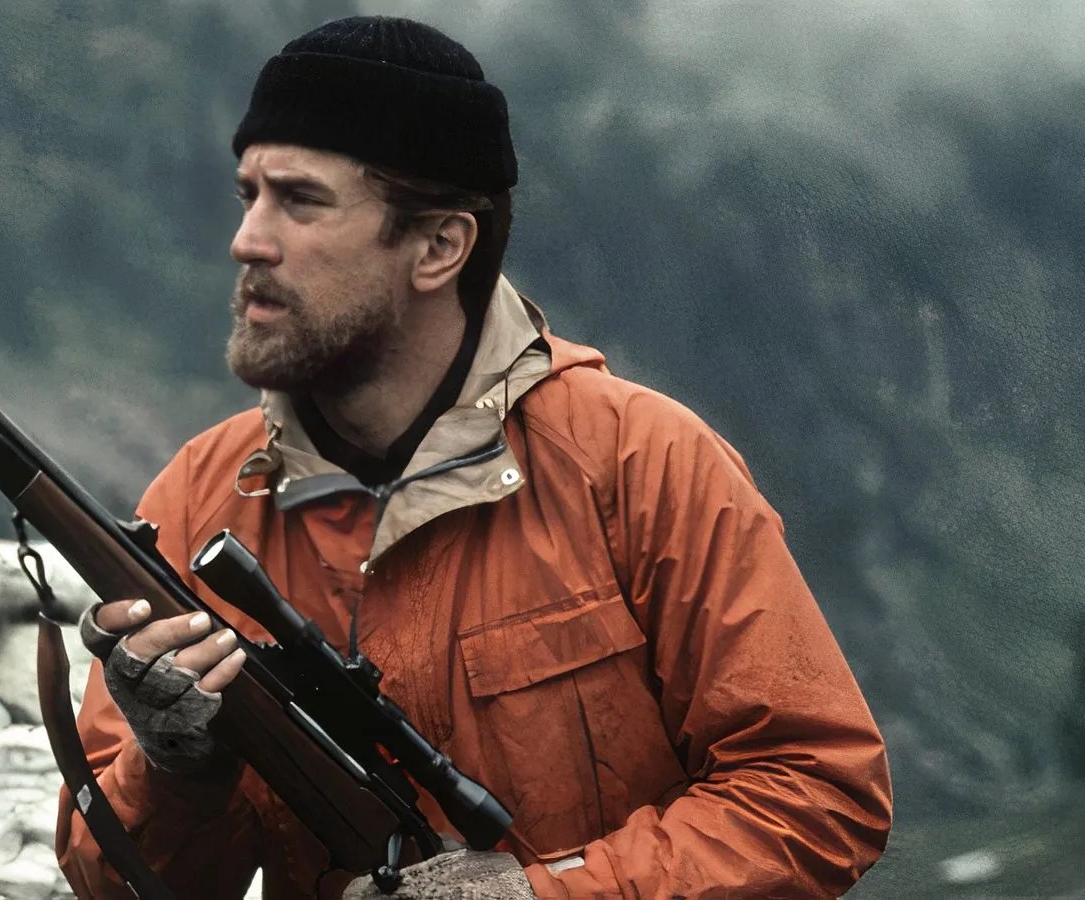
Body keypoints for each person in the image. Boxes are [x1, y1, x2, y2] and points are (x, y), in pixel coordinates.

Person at [57, 15, 892, 899]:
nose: (248, 239)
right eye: (248, 195)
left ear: (439, 247)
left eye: (299, 201)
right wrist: (174, 767)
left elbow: (819, 793)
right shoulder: (198, 498)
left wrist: (544, 896)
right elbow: (113, 883)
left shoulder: (642, 464)